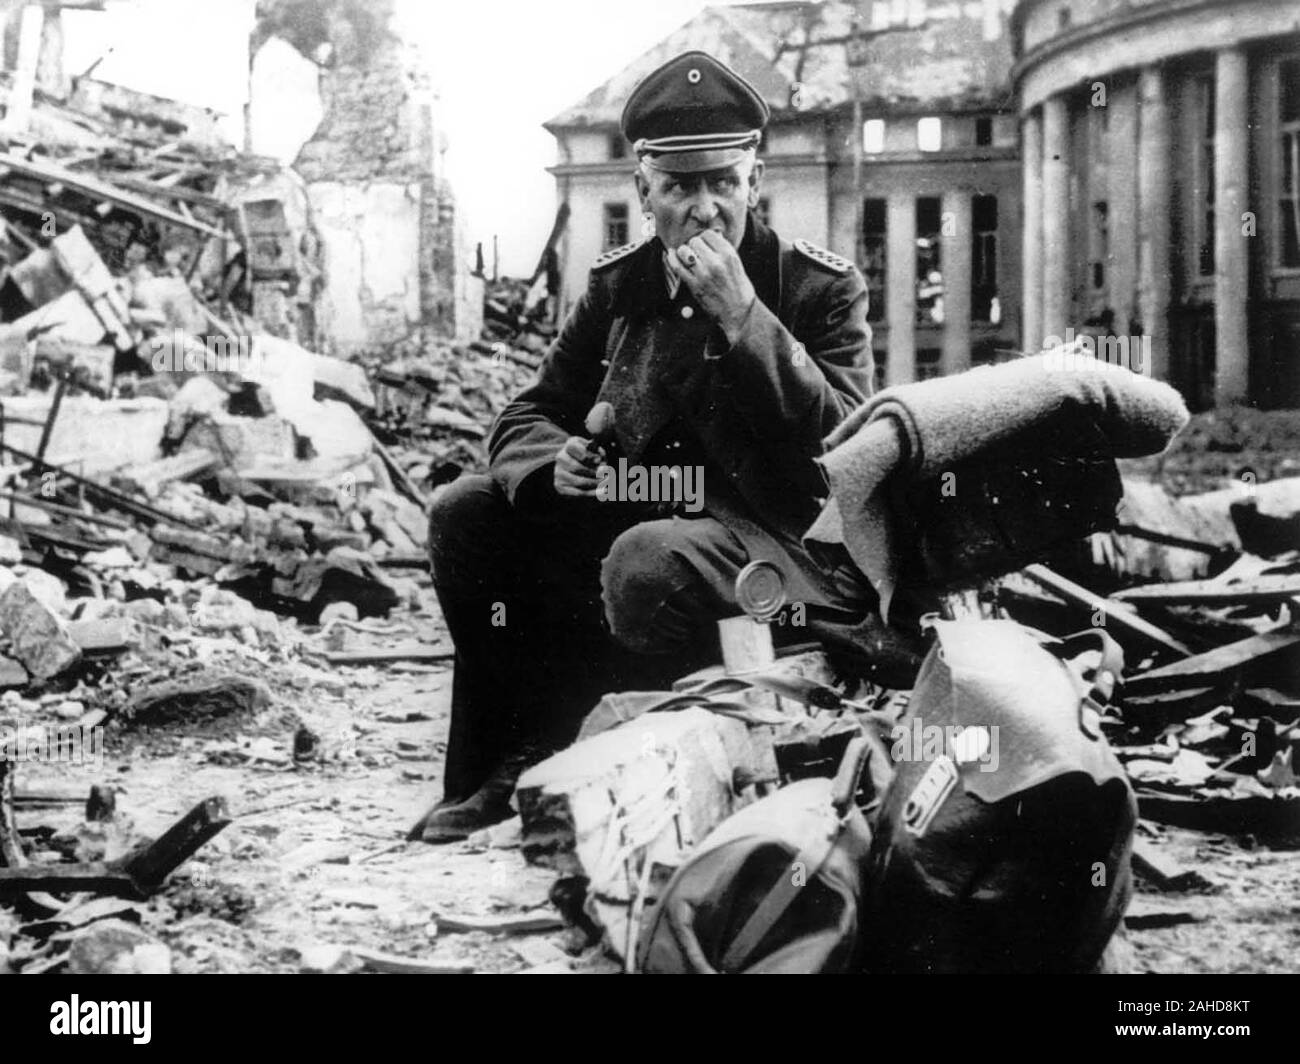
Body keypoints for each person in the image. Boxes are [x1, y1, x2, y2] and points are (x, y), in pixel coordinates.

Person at [409, 50, 876, 842]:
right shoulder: (620, 286)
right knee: (467, 512)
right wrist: (551, 460)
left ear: (752, 184)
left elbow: (847, 450)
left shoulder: (817, 289)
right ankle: (512, 754)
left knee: (647, 559)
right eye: (681, 187)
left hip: (779, 539)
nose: (704, 209)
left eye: (722, 183)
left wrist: (746, 322)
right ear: (644, 192)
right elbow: (528, 412)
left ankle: (627, 754)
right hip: (647, 515)